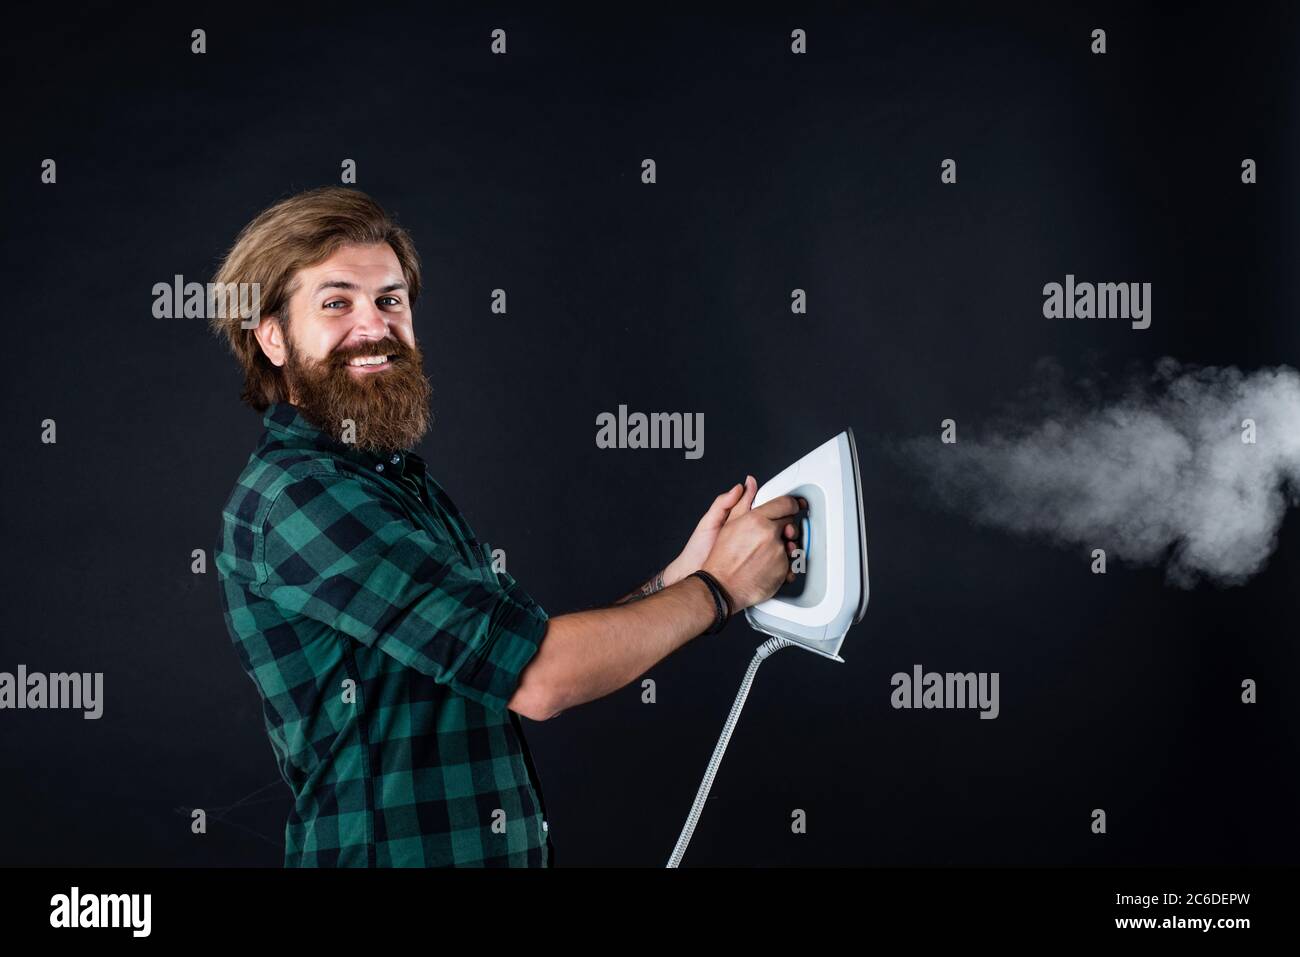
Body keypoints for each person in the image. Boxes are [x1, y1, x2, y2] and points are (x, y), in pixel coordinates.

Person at [210, 187, 802, 866]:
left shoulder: (394, 484)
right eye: (337, 302)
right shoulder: (303, 498)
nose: (374, 326)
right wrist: (715, 590)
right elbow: (541, 678)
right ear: (273, 337)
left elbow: (513, 658)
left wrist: (678, 575)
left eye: (391, 299)